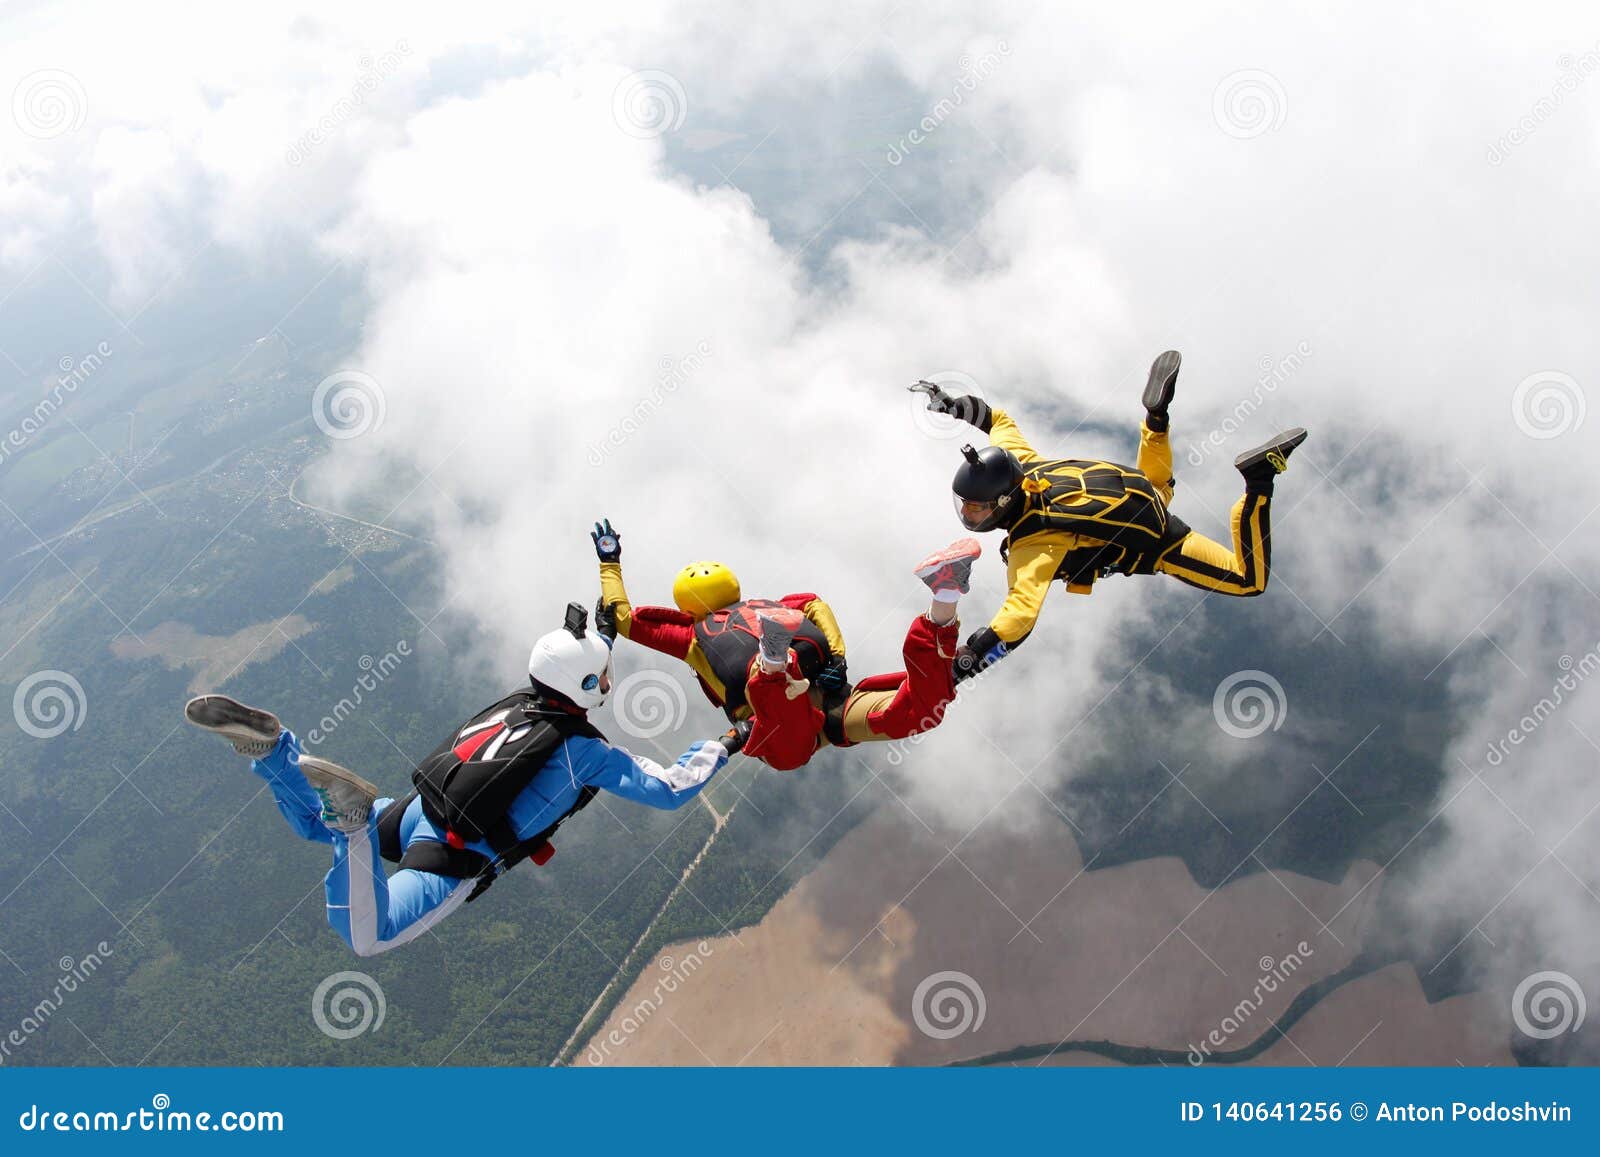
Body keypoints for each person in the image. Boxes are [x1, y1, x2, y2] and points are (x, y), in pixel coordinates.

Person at [183, 604, 733, 957]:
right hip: (457, 852)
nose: (609, 681)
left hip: (419, 808)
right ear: (587, 685)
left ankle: (279, 752)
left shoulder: (526, 698)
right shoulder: (587, 754)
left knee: (311, 826)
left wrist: (602, 631)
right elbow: (669, 789)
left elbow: (571, 664)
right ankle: (352, 826)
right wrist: (728, 744)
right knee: (370, 936)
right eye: (604, 676)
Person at [911, 350, 1308, 679]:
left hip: (1162, 542)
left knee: (1247, 580)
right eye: (964, 502)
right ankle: (1155, 419)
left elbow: (1017, 620)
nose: (967, 512)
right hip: (1141, 489)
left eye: (977, 507)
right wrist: (952, 406)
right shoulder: (1025, 464)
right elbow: (998, 420)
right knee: (1160, 487)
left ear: (1003, 502)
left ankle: (1259, 482)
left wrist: (964, 665)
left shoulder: (1035, 546)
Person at [590, 519, 981, 770]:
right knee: (914, 713)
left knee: (787, 752)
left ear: (687, 604)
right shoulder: (773, 604)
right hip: (834, 698)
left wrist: (610, 562)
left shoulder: (692, 635)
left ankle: (774, 664)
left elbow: (623, 618)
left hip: (785, 716)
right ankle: (943, 602)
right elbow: (816, 603)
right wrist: (838, 657)